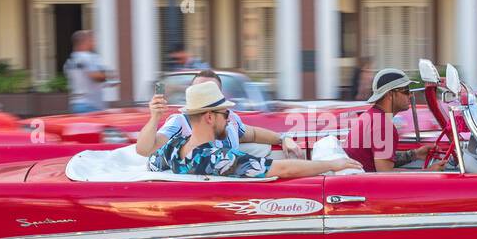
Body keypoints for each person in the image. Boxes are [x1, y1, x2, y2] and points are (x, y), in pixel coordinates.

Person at [148, 81, 359, 178]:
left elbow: (150, 161)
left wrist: (282, 138)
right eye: (226, 114)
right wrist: (332, 164)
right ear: (210, 117)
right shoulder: (218, 159)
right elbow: (283, 169)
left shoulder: (174, 148)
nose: (230, 120)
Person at [135, 69, 303, 158]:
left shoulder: (230, 120)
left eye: (211, 91)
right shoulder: (180, 122)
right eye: (199, 90)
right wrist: (155, 117)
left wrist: (283, 139)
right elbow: (144, 149)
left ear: (221, 96)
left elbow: (252, 134)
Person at [345, 68, 433, 172]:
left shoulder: (370, 117)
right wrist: (429, 172)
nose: (410, 95)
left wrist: (415, 154)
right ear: (389, 95)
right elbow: (386, 175)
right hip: (364, 185)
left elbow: (381, 157)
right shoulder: (383, 126)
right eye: (405, 91)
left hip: (357, 183)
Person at [64, 30, 110, 113]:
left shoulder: (70, 61)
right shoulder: (87, 57)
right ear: (84, 42)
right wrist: (106, 75)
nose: (94, 43)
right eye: (91, 40)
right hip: (91, 104)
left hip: (76, 104)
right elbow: (95, 76)